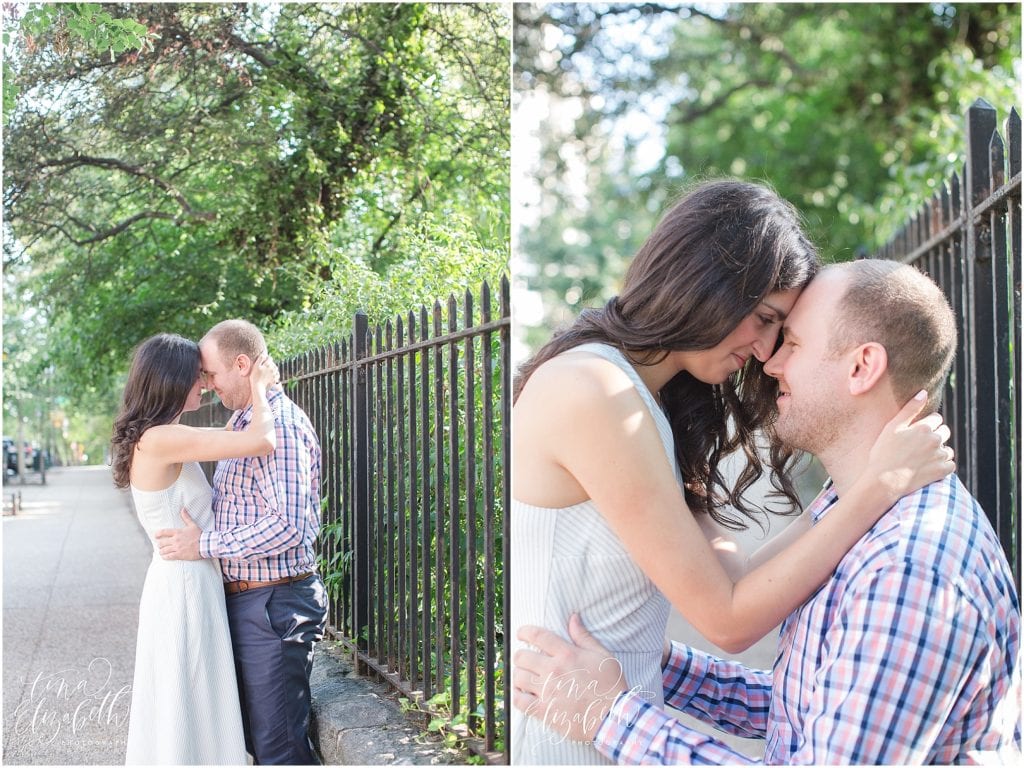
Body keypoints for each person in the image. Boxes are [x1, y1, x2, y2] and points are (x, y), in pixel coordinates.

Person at [510, 180, 955, 764]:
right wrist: (878, 489)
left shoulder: (649, 400)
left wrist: (850, 493)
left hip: (600, 725)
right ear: (708, 283)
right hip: (564, 730)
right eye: (766, 318)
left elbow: (739, 580)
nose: (768, 351)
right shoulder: (596, 391)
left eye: (784, 331)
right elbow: (726, 618)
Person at [155, 319, 328, 765]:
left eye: (210, 374)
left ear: (242, 364)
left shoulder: (281, 428)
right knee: (255, 741)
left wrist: (204, 545)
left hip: (274, 606)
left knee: (279, 749)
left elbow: (290, 527)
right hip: (251, 604)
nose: (207, 385)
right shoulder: (244, 423)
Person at [111, 332, 279, 764]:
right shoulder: (163, 438)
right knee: (190, 694)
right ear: (170, 380)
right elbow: (261, 440)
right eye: (196, 377)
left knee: (187, 697)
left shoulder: (162, 436)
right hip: (184, 583)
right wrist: (259, 388)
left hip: (186, 578)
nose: (204, 384)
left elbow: (227, 436)